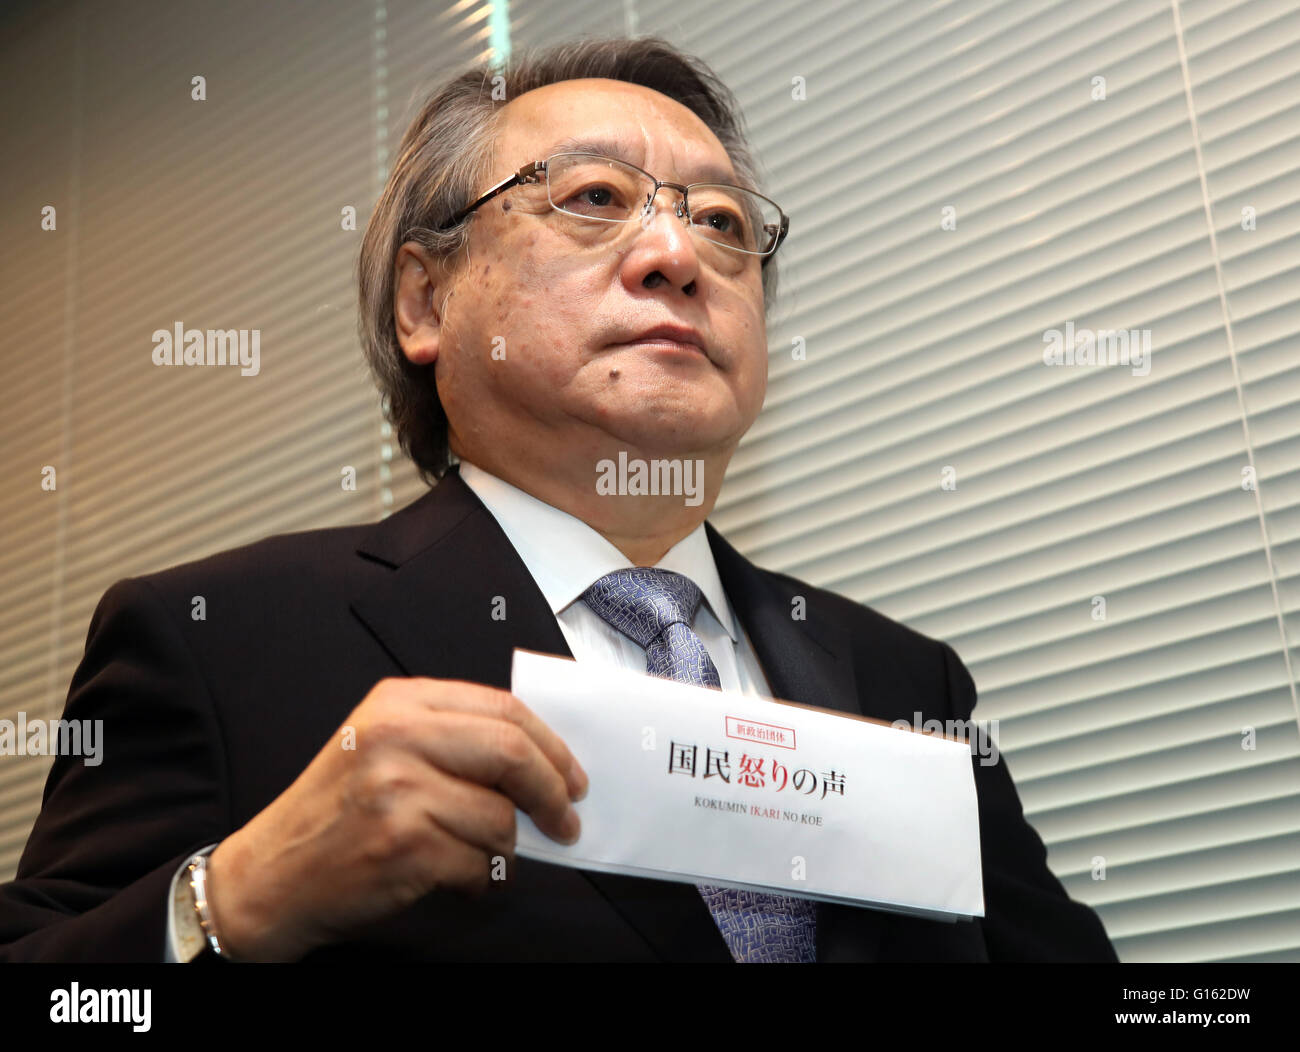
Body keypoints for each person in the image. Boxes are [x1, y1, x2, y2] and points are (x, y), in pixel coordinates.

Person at [0, 36, 1117, 963]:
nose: (678, 251)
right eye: (593, 198)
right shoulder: (217, 640)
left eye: (723, 221)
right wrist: (225, 900)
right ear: (425, 298)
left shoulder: (903, 678)